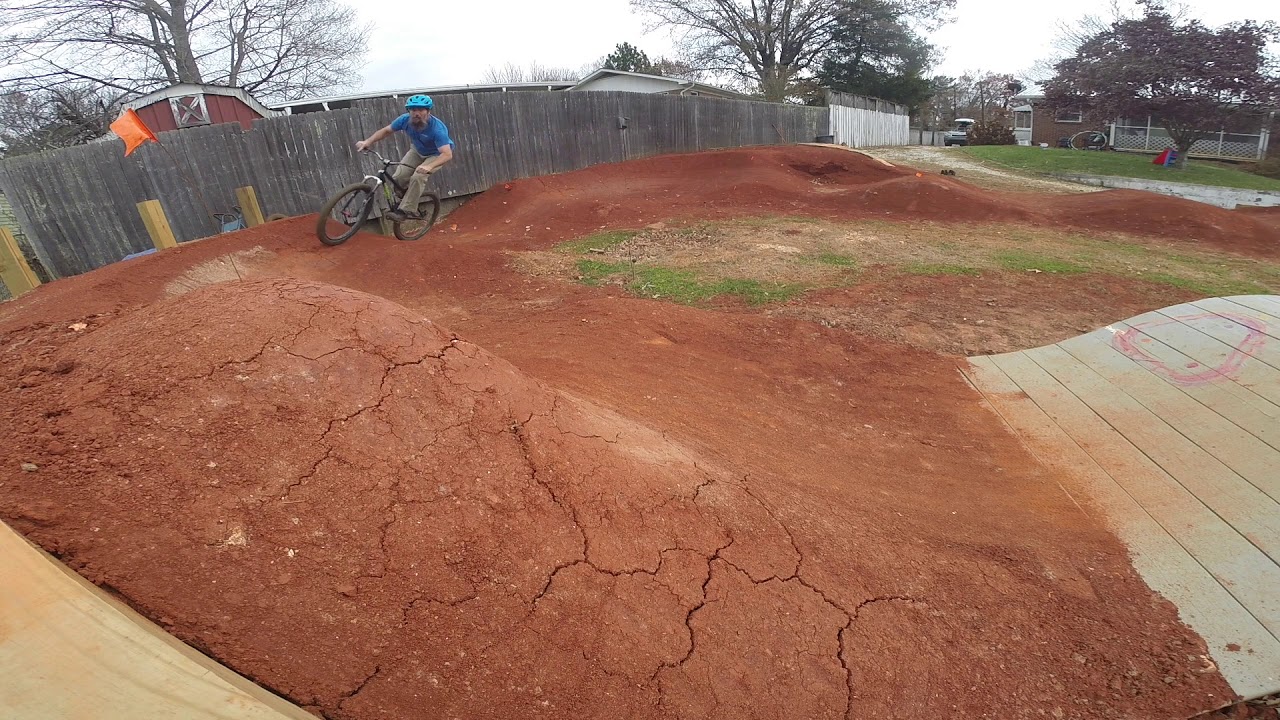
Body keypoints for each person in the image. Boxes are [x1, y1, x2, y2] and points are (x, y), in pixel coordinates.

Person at [355, 94, 454, 221]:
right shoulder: (404, 120)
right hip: (417, 150)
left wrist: (428, 166)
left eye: (421, 109)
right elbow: (386, 130)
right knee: (398, 178)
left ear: (428, 111)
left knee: (418, 177)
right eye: (413, 110)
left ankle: (405, 210)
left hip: (436, 154)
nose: (416, 113)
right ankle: (410, 196)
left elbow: (447, 154)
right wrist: (367, 141)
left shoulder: (437, 129)